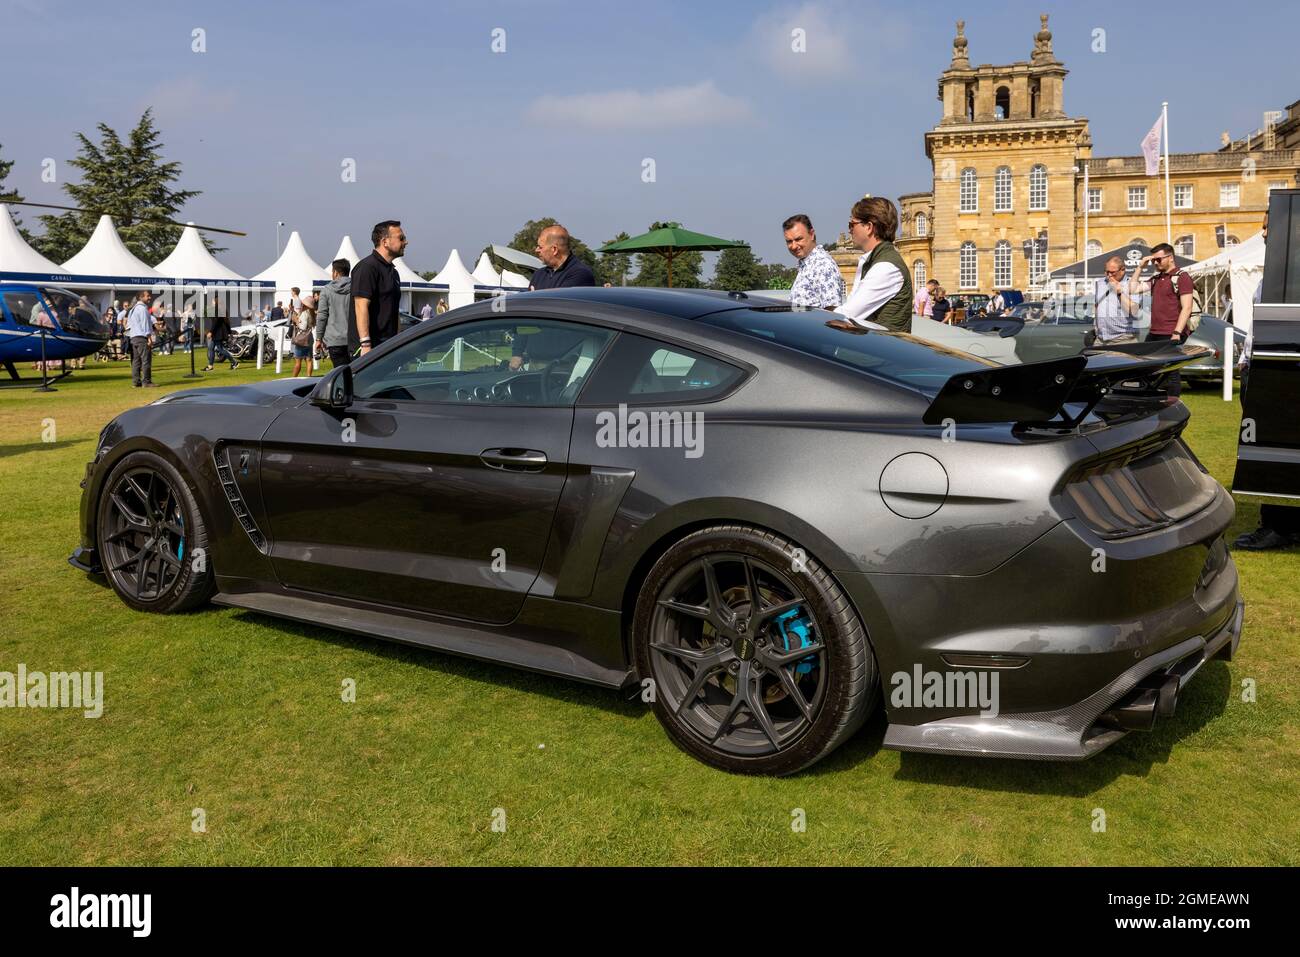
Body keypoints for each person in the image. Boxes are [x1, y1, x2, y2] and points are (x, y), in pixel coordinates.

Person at [1233, 211, 1298, 550]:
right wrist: (1245, 360)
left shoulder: (1288, 276)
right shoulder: (1274, 274)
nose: (1262, 234)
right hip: (1260, 366)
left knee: (1273, 449)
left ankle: (1277, 526)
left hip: (1277, 371)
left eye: (1267, 227)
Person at [832, 196, 913, 332]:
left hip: (884, 350)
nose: (849, 230)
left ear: (869, 227)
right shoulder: (874, 261)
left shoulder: (886, 267)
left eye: (852, 224)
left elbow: (846, 314)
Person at [1131, 242, 1193, 396]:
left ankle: (1173, 403)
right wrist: (1140, 267)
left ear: (1170, 257)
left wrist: (1177, 332)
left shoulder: (1182, 277)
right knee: (1144, 365)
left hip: (1172, 331)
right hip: (1155, 331)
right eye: (1153, 260)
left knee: (1171, 371)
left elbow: (1187, 307)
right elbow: (1133, 289)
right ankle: (1151, 399)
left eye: (1158, 259)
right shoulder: (1156, 278)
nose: (1155, 263)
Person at [351, 220, 406, 356]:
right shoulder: (367, 268)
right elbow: (360, 306)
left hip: (388, 347)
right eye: (401, 238)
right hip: (370, 348)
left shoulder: (393, 272)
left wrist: (398, 341)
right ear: (385, 242)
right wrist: (365, 344)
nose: (406, 242)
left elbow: (393, 310)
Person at [783, 214, 845, 309]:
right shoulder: (807, 265)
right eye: (789, 241)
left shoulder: (822, 265)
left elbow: (833, 313)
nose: (794, 246)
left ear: (811, 234)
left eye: (798, 239)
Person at [1093, 255, 1143, 346]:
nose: (1109, 275)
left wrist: (1119, 292)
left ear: (1122, 270)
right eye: (1106, 272)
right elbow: (1097, 305)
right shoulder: (1100, 283)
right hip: (1100, 339)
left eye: (1112, 272)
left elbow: (1134, 311)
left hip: (1124, 339)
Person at [529, 224, 595, 290]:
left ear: (554, 249)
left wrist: (535, 297)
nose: (536, 250)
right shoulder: (539, 274)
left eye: (540, 247)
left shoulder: (580, 274)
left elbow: (561, 299)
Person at [316, 258, 353, 368]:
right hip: (353, 339)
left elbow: (322, 316)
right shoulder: (356, 287)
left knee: (340, 376)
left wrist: (319, 338)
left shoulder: (326, 290)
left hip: (334, 340)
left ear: (335, 272)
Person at [126, 290, 156, 387]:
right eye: (147, 296)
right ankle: (146, 382)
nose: (149, 297)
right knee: (146, 360)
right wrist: (149, 338)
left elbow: (129, 325)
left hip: (134, 337)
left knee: (136, 361)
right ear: (141, 297)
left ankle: (136, 382)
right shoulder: (142, 309)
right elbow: (145, 325)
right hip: (141, 337)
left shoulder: (133, 309)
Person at [204, 297, 239, 371]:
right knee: (211, 348)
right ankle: (210, 366)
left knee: (220, 349)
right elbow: (226, 322)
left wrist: (211, 332)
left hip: (217, 333)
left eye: (213, 302)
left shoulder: (217, 310)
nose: (211, 303)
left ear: (216, 302)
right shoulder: (221, 309)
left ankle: (234, 362)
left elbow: (215, 322)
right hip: (218, 332)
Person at [290, 294, 316, 376]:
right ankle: (309, 377)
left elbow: (303, 327)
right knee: (309, 360)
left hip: (302, 339)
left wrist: (296, 321)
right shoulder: (311, 313)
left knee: (298, 361)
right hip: (309, 338)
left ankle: (293, 378)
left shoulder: (304, 313)